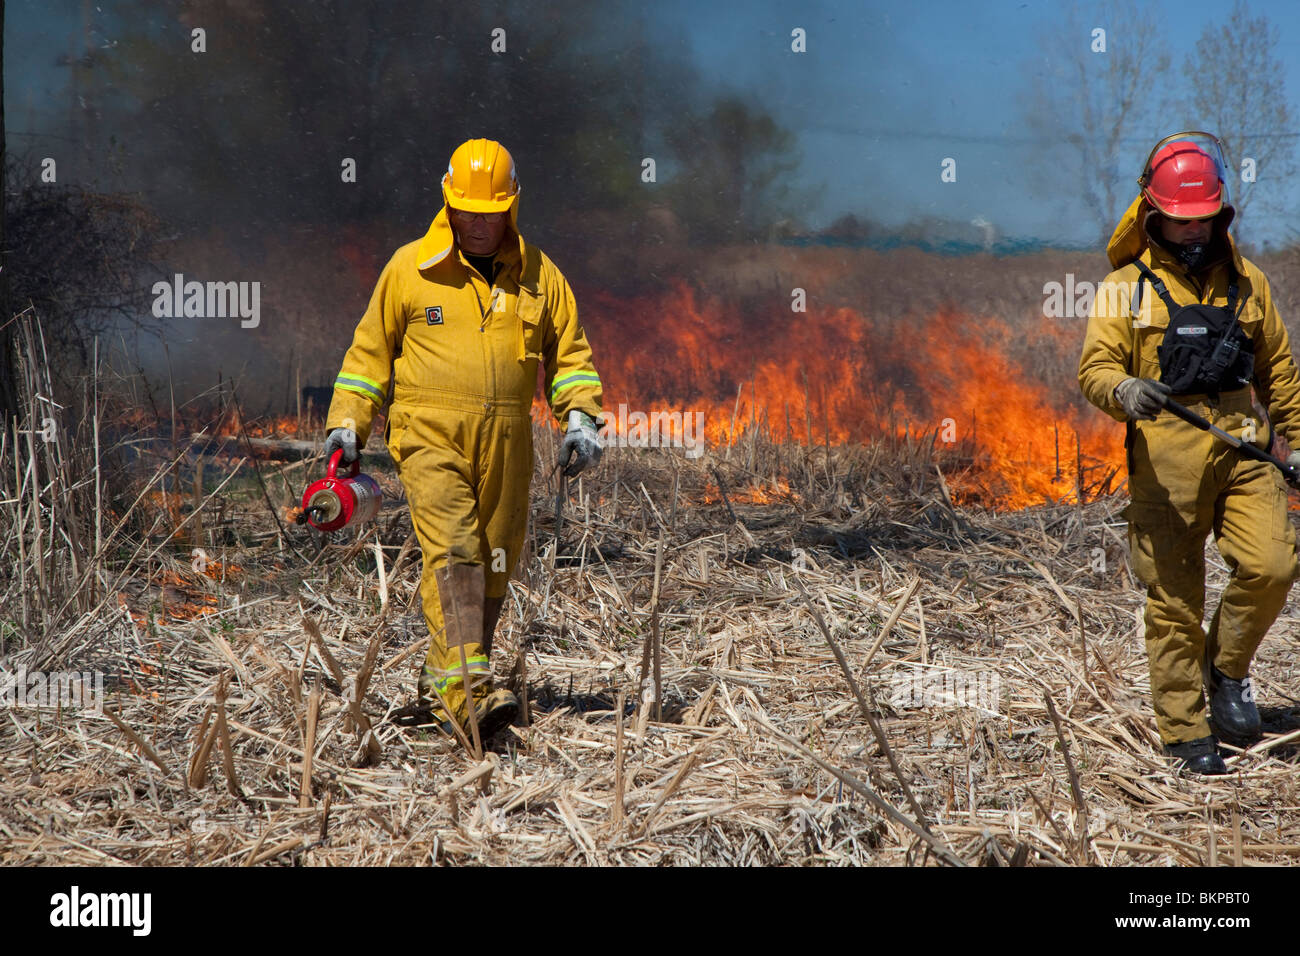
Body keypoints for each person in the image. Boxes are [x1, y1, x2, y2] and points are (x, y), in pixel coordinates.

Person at [323, 138, 604, 743]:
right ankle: (469, 693)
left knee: (497, 560)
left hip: (507, 439)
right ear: (447, 202)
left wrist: (580, 415)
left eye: (491, 210)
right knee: (455, 549)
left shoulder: (539, 277)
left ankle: (443, 680)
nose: (478, 223)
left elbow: (570, 355)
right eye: (467, 209)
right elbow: (368, 355)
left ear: (513, 207)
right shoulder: (409, 270)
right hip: (428, 433)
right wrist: (348, 422)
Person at [1079, 132, 1300, 774]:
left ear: (1220, 213)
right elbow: (1096, 368)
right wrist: (1124, 388)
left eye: (1203, 218)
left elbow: (1279, 371)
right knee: (1174, 600)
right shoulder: (1125, 288)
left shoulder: (1249, 282)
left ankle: (1225, 669)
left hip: (1242, 449)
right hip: (1165, 460)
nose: (1192, 231)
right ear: (1153, 215)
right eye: (1179, 221)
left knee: (1274, 564)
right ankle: (1185, 733)